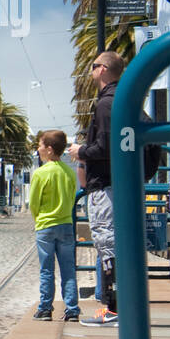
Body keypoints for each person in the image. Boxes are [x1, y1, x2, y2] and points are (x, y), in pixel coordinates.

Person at [66, 50, 123, 325]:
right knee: (113, 244)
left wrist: (81, 150)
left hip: (105, 187)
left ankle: (112, 309)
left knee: (107, 244)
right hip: (118, 184)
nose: (90, 70)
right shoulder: (123, 98)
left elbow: (106, 146)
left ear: (102, 70)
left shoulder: (105, 104)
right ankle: (118, 306)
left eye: (92, 66)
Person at [29, 130, 79, 321]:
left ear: (49, 149)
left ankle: (45, 308)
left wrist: (38, 219)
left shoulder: (41, 173)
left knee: (47, 269)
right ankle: (72, 309)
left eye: (41, 145)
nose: (38, 148)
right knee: (68, 269)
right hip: (66, 224)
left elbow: (34, 202)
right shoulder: (68, 172)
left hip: (46, 226)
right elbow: (72, 197)